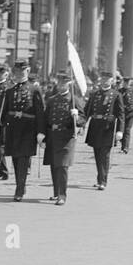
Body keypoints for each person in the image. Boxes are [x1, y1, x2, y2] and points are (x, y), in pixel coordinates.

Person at [0, 58, 45, 201]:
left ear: (28, 71)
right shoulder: (9, 91)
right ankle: (21, 184)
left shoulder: (34, 89)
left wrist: (41, 132)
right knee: (15, 159)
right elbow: (4, 111)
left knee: (23, 159)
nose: (19, 74)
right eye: (17, 71)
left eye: (22, 71)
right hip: (13, 130)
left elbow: (40, 112)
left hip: (28, 130)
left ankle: (19, 190)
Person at [43, 69, 84, 204]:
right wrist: (42, 136)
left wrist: (76, 116)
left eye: (63, 84)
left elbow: (83, 119)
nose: (60, 86)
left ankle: (62, 195)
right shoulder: (51, 100)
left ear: (69, 84)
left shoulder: (74, 100)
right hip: (53, 136)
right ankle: (56, 192)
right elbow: (45, 119)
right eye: (59, 84)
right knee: (54, 165)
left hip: (67, 137)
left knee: (63, 166)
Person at [82, 71, 123, 191]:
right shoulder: (94, 94)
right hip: (95, 127)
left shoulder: (116, 95)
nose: (105, 81)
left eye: (108, 79)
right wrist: (82, 124)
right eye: (103, 79)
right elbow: (87, 111)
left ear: (111, 81)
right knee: (97, 155)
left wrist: (120, 130)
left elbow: (121, 114)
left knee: (104, 155)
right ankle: (100, 178)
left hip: (108, 128)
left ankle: (103, 181)